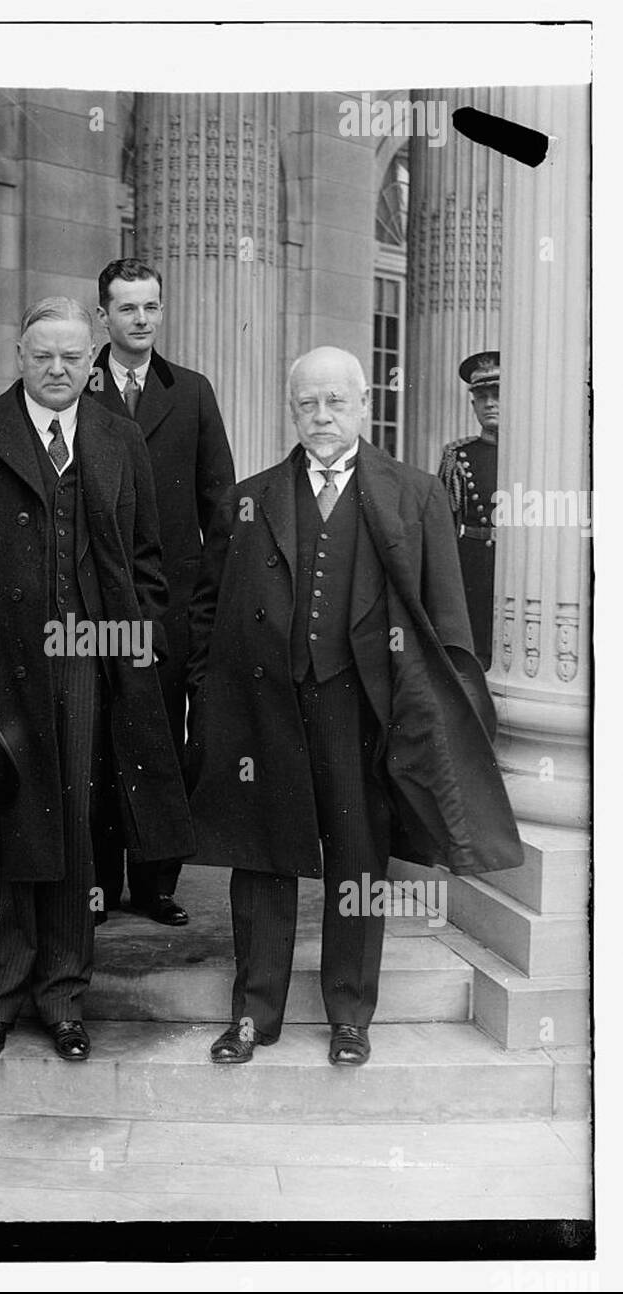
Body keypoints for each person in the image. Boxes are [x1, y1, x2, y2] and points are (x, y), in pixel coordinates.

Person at [187, 346, 521, 1068]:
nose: (322, 416)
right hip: (264, 708)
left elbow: (448, 623)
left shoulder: (416, 496)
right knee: (262, 856)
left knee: (358, 860)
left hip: (363, 708)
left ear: (364, 404)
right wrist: (209, 705)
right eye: (307, 403)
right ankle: (253, 1013)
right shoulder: (248, 497)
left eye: (336, 401)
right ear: (292, 409)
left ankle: (349, 1012)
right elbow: (207, 614)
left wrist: (445, 714)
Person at [0, 296, 194, 1061]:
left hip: (89, 668)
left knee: (77, 828)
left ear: (90, 358)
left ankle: (65, 998)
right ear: (19, 355)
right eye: (44, 356)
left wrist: (137, 640)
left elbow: (146, 560)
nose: (60, 369)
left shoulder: (118, 437)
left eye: (73, 356)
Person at [87, 258, 234, 928]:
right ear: (104, 316)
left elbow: (220, 506)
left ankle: (155, 885)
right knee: (93, 740)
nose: (141, 320)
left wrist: (210, 606)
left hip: (167, 607)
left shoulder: (193, 392)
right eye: (127, 309)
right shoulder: (70, 387)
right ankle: (95, 886)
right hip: (87, 606)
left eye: (150, 308)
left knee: (159, 742)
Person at [438, 351, 500, 669]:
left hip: (517, 568)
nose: (490, 403)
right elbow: (443, 526)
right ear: (473, 404)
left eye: (497, 395)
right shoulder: (457, 455)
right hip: (472, 564)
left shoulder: (534, 455)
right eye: (482, 397)